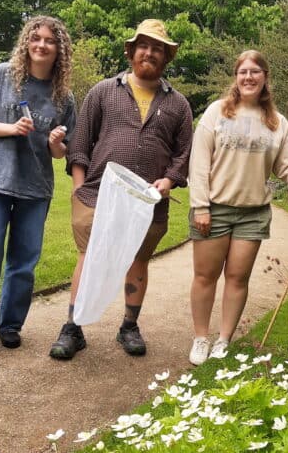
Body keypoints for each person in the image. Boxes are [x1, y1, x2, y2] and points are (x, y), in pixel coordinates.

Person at [49, 19, 193, 360]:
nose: (149, 52)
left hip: (149, 202)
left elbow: (184, 153)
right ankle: (73, 328)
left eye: (158, 48)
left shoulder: (178, 105)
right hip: (96, 195)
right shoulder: (102, 92)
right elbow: (81, 142)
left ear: (166, 57)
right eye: (143, 45)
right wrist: (79, 190)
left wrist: (169, 181)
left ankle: (129, 326)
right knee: (89, 257)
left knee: (138, 261)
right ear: (131, 51)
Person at [188, 49, 288, 366]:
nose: (249, 77)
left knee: (237, 278)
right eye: (243, 72)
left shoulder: (277, 124)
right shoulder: (216, 113)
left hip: (253, 214)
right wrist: (200, 206)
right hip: (214, 208)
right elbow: (198, 164)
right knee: (205, 277)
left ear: (265, 77)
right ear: (236, 78)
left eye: (255, 71)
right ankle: (201, 338)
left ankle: (223, 340)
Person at [0, 16, 75, 359]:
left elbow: (59, 153)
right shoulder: (2, 76)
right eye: (35, 38)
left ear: (60, 51)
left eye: (49, 41)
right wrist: (10, 128)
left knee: (23, 263)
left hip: (36, 188)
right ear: (27, 42)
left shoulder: (64, 97)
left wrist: (57, 140)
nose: (41, 45)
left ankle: (10, 326)